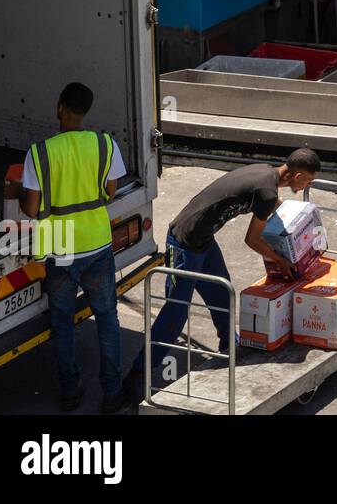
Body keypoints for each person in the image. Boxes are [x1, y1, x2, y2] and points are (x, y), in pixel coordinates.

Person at [124, 149, 321, 397]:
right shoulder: (267, 191)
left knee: (222, 298)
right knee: (175, 314)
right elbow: (252, 239)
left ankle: (229, 350)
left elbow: (270, 205)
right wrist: (281, 261)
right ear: (297, 175)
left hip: (204, 242)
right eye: (308, 181)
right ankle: (138, 374)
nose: (308, 185)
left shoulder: (266, 174)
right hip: (183, 242)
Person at [19, 82, 128, 413]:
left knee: (63, 324)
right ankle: (112, 394)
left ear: (60, 106)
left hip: (60, 249)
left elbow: (32, 209)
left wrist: (16, 194)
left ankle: (70, 391)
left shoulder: (39, 153)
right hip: (97, 245)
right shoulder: (105, 145)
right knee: (107, 320)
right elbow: (110, 191)